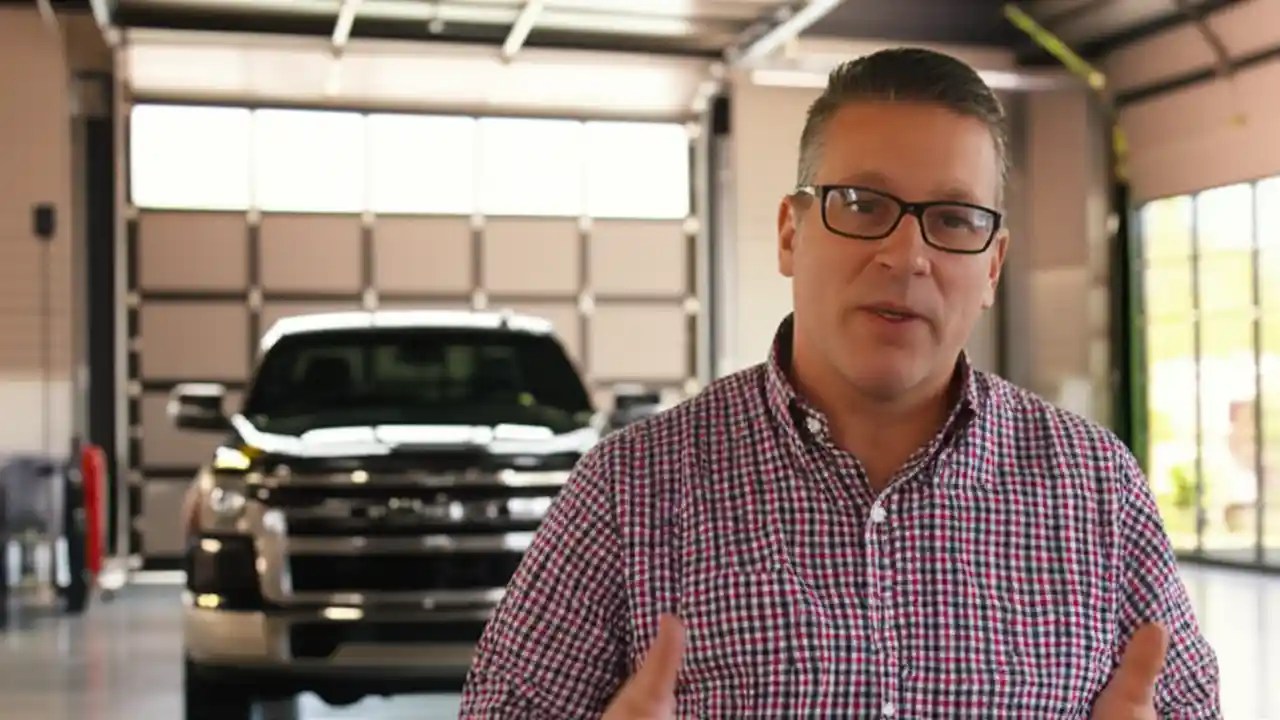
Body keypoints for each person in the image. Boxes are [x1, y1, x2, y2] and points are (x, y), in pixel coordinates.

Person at [458, 47, 1221, 718]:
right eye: (862, 205)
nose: (906, 255)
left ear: (991, 266)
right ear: (792, 233)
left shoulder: (1095, 489)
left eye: (953, 219)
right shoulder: (635, 489)